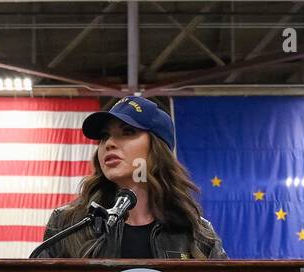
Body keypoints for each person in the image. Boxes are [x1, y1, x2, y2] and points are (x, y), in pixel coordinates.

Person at [33, 95, 228, 259]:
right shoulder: (67, 224)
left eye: (127, 132)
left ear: (157, 148)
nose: (109, 143)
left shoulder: (197, 233)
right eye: (104, 135)